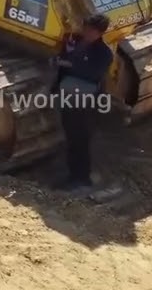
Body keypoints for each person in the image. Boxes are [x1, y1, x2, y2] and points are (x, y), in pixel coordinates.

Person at [53, 13, 114, 192]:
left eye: (91, 31)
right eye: (85, 28)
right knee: (71, 137)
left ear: (100, 33)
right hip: (69, 97)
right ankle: (73, 175)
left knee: (80, 139)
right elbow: (65, 56)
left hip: (84, 102)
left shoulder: (104, 53)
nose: (86, 32)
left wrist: (66, 64)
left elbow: (91, 73)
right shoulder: (76, 41)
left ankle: (81, 178)